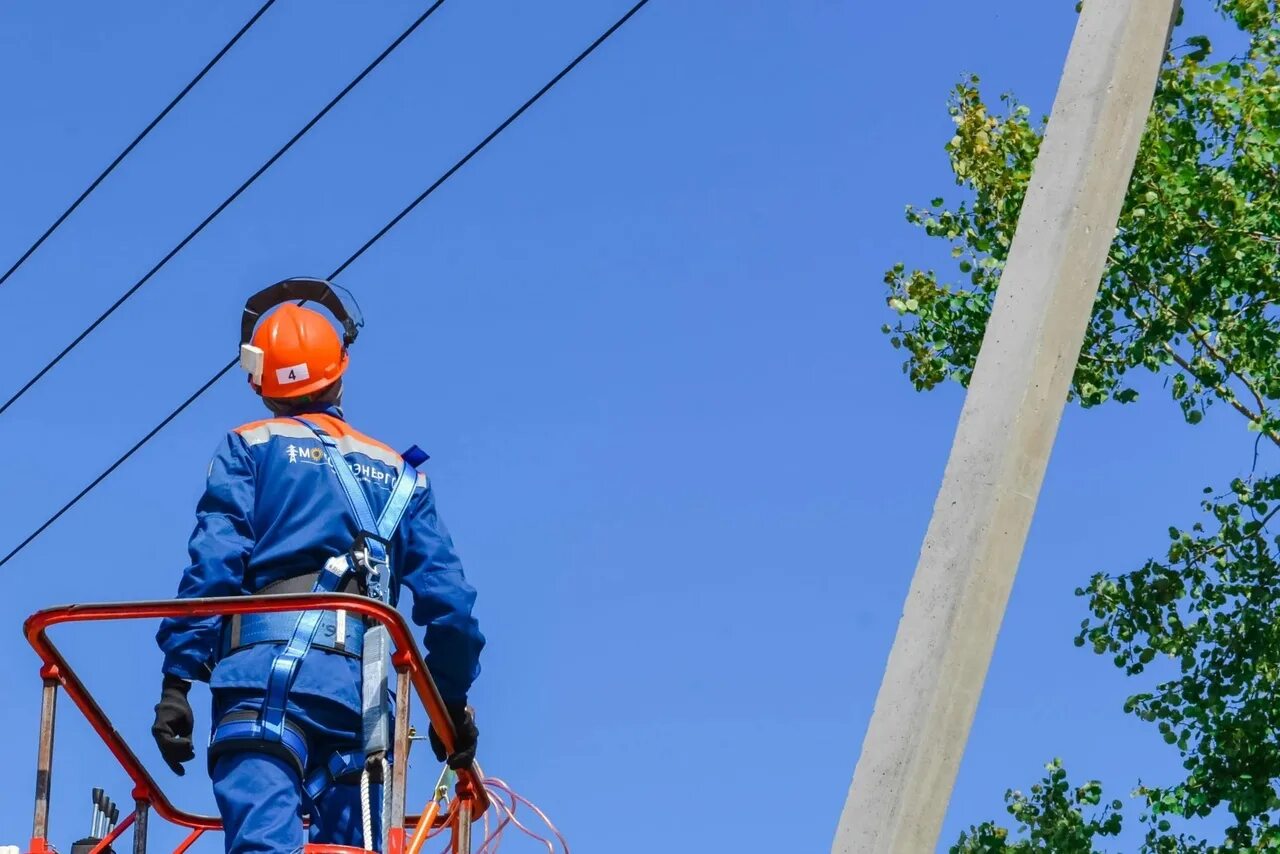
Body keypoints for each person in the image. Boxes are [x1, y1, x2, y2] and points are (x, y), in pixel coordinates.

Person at [152, 278, 484, 852]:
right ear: (341, 367)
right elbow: (449, 604)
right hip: (364, 707)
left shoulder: (249, 447)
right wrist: (448, 703)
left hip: (260, 682)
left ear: (260, 383)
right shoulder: (403, 476)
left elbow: (214, 564)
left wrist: (178, 680)